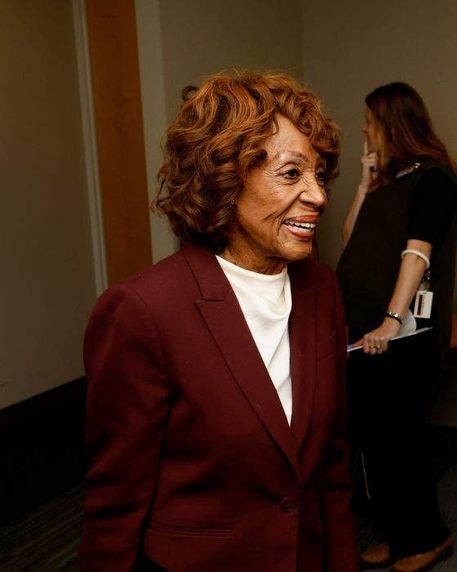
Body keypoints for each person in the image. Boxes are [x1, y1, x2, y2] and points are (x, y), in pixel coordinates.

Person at [81, 72, 356, 571]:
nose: (317, 196)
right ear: (226, 178)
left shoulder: (322, 289)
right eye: (292, 174)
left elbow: (331, 465)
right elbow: (115, 502)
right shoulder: (143, 310)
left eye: (318, 175)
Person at [336, 82, 457, 572]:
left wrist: (391, 320)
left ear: (393, 124)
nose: (364, 131)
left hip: (401, 336)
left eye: (370, 122)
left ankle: (429, 537)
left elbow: (417, 254)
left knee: (402, 441)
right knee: (375, 440)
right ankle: (398, 533)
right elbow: (351, 241)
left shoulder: (435, 179)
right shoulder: (389, 180)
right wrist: (364, 186)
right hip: (364, 332)